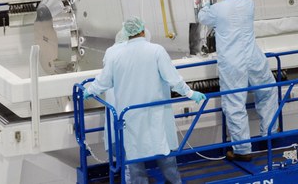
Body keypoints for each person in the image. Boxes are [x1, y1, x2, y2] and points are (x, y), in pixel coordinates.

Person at [83, 17, 206, 183]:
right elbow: (173, 80)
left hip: (130, 116)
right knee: (164, 152)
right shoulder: (156, 51)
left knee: (134, 157)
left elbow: (103, 81)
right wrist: (191, 93)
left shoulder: (116, 55)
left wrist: (89, 91)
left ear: (126, 33)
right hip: (156, 114)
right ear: (142, 30)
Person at [197, 0, 279, 162]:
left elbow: (202, 16)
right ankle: (270, 135)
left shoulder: (217, 10)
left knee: (235, 103)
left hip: (233, 62)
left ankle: (242, 150)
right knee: (268, 92)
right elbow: (237, 1)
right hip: (254, 58)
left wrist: (209, 2)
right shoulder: (248, 3)